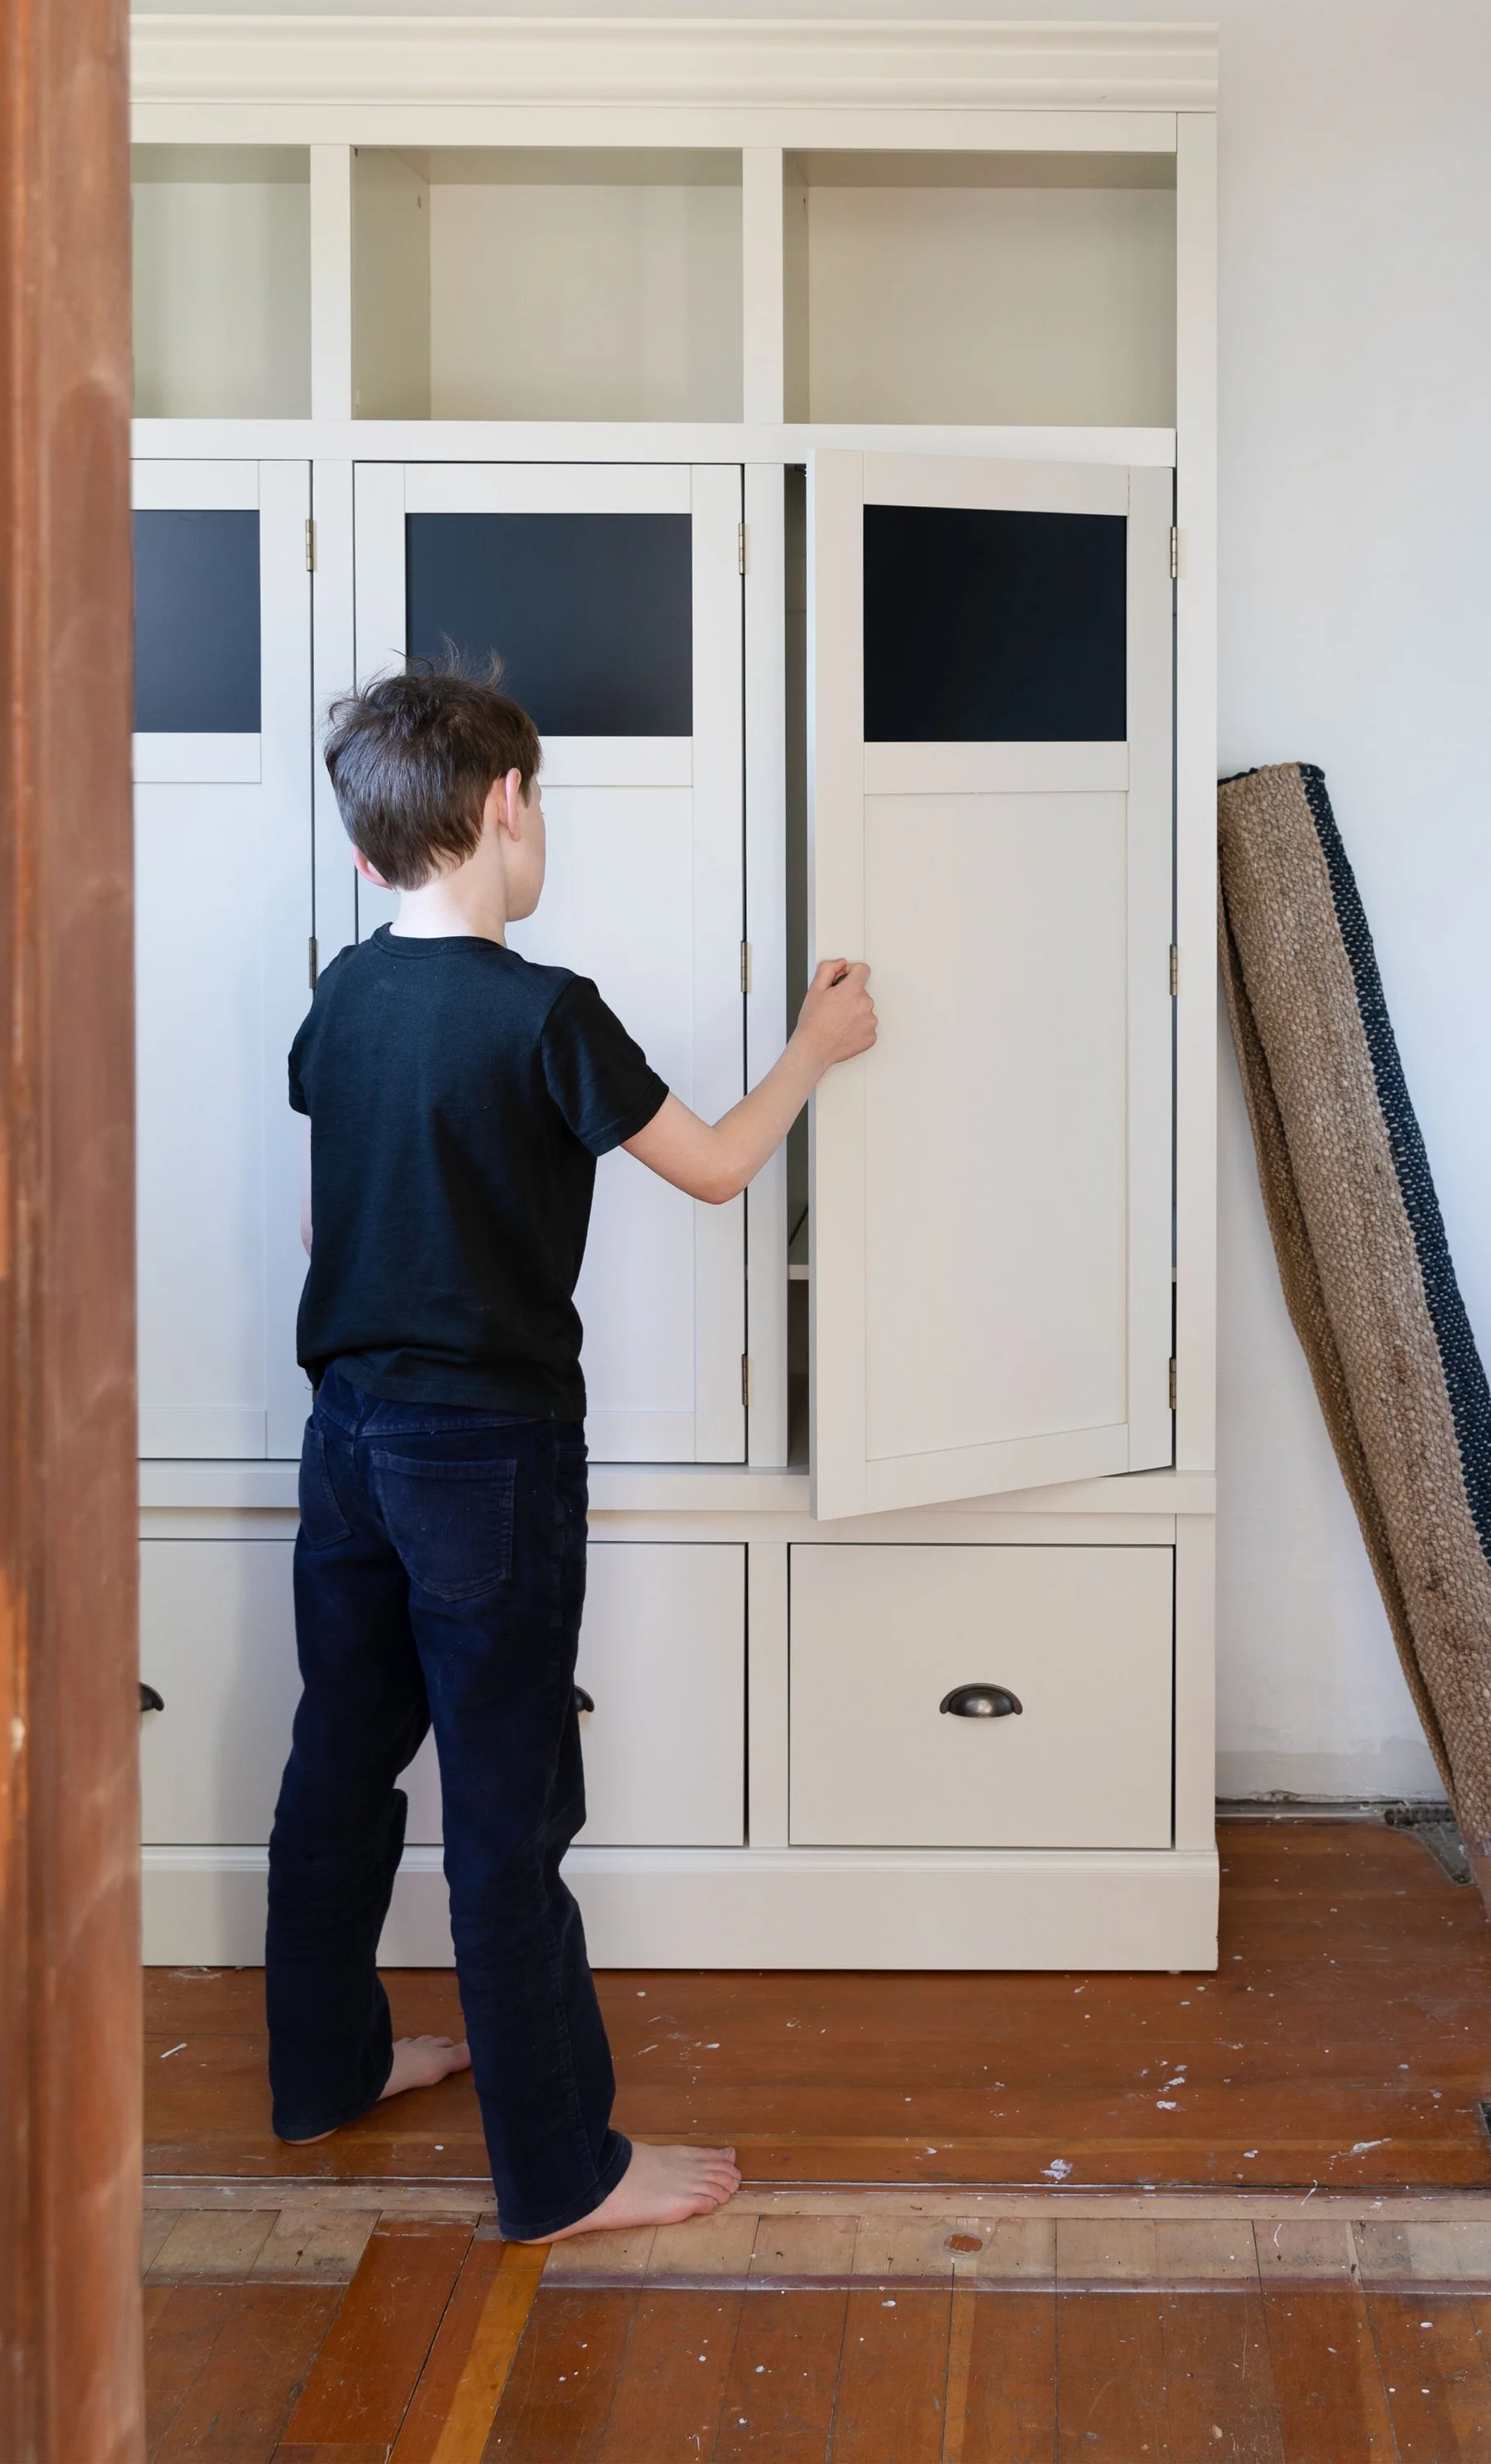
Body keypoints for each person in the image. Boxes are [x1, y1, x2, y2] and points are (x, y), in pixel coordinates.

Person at [266, 663, 875, 2244]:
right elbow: (723, 1170)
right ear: (509, 808)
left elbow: (340, 1203)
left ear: (366, 847)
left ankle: (325, 2070)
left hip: (345, 1437)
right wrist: (817, 1046)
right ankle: (561, 2172)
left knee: (339, 1764)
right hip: (487, 1455)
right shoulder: (547, 1013)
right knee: (508, 1813)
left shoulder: (343, 993)